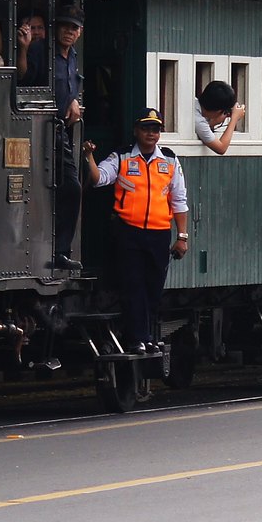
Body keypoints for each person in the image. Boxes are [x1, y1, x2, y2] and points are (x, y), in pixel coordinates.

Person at [83, 108, 190, 351]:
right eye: (146, 128)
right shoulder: (121, 157)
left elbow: (179, 200)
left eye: (155, 129)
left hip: (159, 233)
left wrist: (182, 236)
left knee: (154, 289)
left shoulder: (170, 160)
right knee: (133, 287)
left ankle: (148, 337)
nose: (151, 134)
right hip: (129, 232)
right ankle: (138, 339)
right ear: (136, 131)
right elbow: (99, 178)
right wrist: (89, 156)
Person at [25, 5, 85, 268]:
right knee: (67, 187)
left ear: (79, 32)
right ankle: (55, 251)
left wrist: (72, 100)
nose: (68, 32)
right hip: (40, 127)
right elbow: (25, 79)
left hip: (61, 130)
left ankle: (59, 251)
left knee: (71, 188)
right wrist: (22, 50)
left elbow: (70, 85)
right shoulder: (41, 50)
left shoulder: (72, 56)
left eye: (73, 28)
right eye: (64, 26)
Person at [193, 79, 245, 155]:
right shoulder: (198, 121)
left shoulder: (194, 104)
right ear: (218, 111)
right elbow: (221, 148)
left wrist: (213, 123)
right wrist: (234, 119)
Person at [13, 8, 47, 83]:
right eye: (32, 28)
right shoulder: (15, 51)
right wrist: (23, 47)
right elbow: (21, 76)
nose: (36, 32)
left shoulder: (49, 52)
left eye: (40, 28)